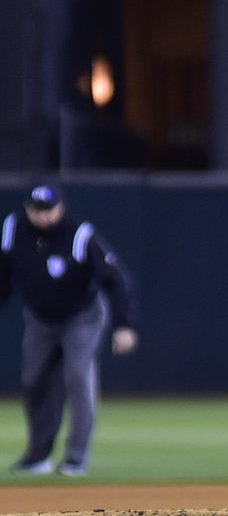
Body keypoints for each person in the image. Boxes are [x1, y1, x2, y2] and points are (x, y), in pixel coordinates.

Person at [1, 183, 138, 477]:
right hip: (39, 318)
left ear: (61, 208)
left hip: (82, 317)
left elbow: (116, 279)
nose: (43, 216)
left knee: (77, 376)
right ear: (28, 209)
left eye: (49, 210)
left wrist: (123, 324)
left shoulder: (79, 235)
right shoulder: (13, 230)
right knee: (34, 381)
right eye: (37, 210)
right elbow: (3, 277)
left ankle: (75, 458)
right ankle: (38, 456)